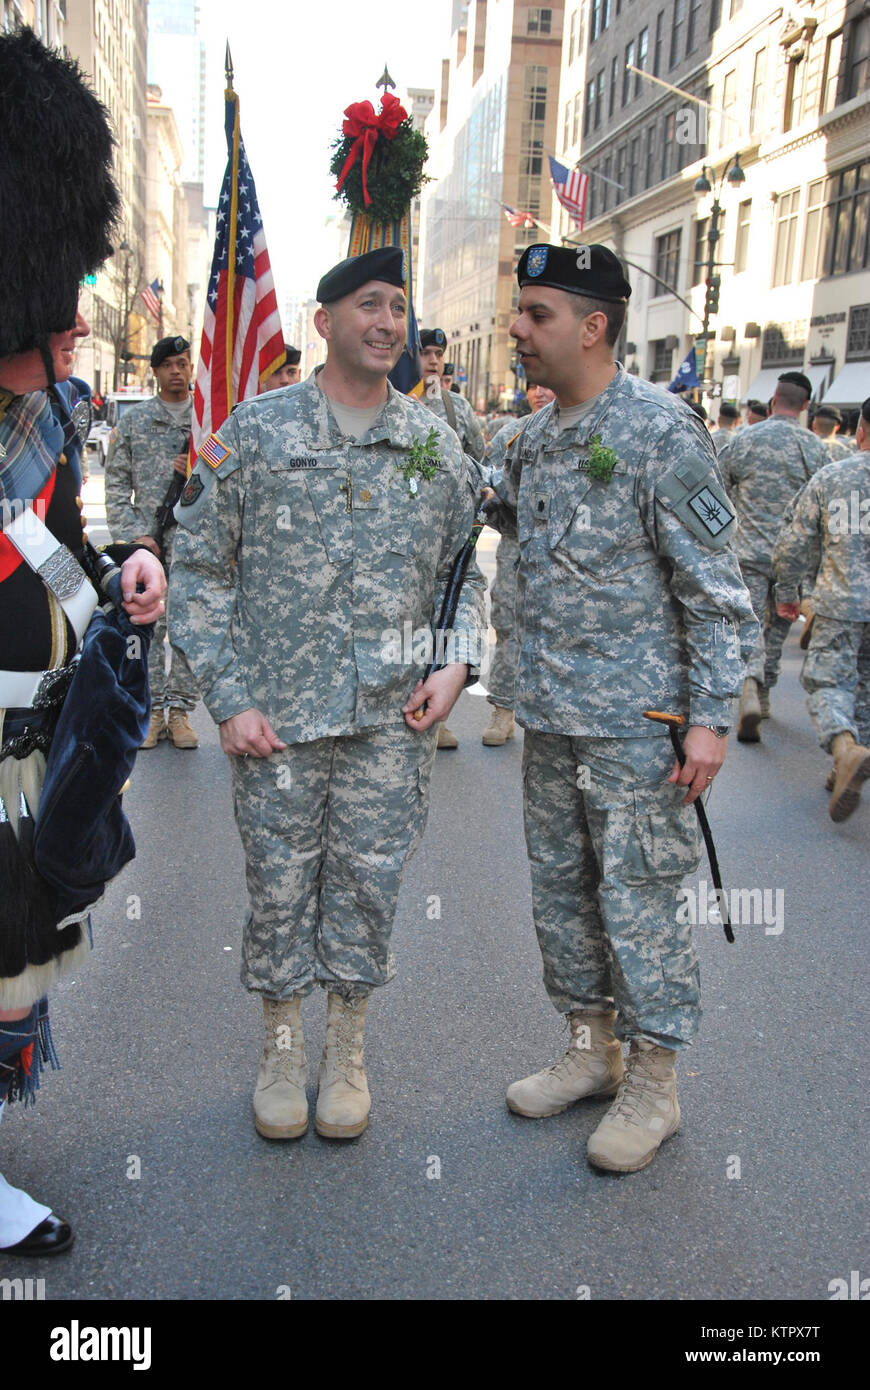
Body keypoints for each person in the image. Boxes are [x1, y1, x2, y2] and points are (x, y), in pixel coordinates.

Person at [169, 247, 486, 1142]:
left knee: (369, 883)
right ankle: (280, 1044)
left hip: (392, 719)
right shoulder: (257, 435)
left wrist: (457, 662)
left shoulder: (432, 445)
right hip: (278, 718)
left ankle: (345, 1044)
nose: (388, 323)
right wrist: (226, 698)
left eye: (398, 307)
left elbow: (466, 576)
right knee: (278, 886)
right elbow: (196, 570)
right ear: (323, 322)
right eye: (368, 306)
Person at [485, 243, 755, 1173]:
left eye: (537, 315)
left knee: (637, 900)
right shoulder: (530, 439)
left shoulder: (661, 433)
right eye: (519, 313)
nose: (518, 331)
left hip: (641, 729)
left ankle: (655, 1082)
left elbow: (717, 593)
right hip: (553, 719)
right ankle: (591, 1047)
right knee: (562, 894)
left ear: (594, 327)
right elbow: (502, 544)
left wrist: (712, 716)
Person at [0, 26, 165, 1255]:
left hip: (26, 740)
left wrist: (123, 574)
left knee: (7, 958)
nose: (61, 341)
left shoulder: (47, 408)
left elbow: (54, 540)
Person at [773, 396, 870, 821]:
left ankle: (845, 749)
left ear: (861, 429)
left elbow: (794, 543)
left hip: (840, 602)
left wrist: (788, 590)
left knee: (829, 682)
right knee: (865, 687)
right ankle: (846, 764)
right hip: (845, 604)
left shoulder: (835, 476)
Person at [718, 371, 828, 739]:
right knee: (779, 623)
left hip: (746, 549)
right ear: (806, 406)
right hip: (792, 558)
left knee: (748, 621)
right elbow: (823, 506)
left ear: (774, 397)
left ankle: (748, 681)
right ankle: (763, 691)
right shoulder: (814, 448)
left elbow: (717, 486)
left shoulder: (745, 439)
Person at [104, 335, 200, 749]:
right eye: (169, 365)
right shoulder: (135, 422)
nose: (177, 371)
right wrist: (134, 537)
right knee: (146, 626)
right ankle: (149, 711)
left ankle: (178, 711)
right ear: (156, 371)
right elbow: (115, 484)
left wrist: (198, 470)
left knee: (187, 627)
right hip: (149, 545)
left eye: (183, 363)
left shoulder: (208, 423)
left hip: (196, 542)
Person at [417, 327, 487, 750]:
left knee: (444, 614)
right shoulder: (394, 398)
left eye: (439, 353)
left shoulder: (455, 408)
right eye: (425, 352)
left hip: (447, 531)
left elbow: (478, 460)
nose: (433, 360)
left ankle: (438, 711)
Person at [481, 384, 554, 747]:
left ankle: (553, 717)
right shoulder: (512, 434)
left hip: (565, 551)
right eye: (534, 386)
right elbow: (488, 491)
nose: (541, 392)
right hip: (517, 544)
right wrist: (509, 526)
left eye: (548, 385)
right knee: (508, 624)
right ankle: (503, 709)